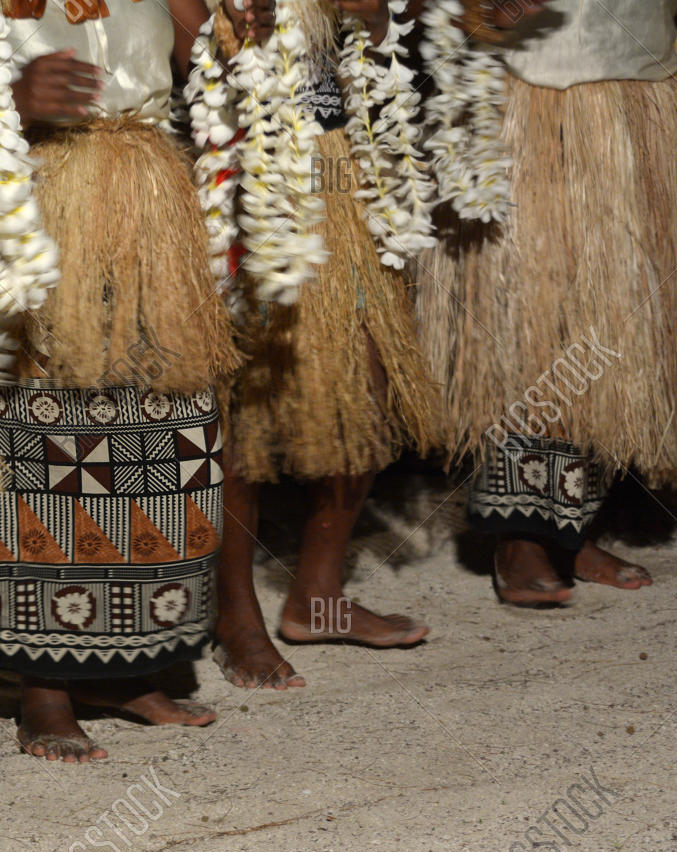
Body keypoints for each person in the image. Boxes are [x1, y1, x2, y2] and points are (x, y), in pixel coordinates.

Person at [0, 0, 242, 761]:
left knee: (161, 434)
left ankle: (131, 666)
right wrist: (7, 101)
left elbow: (213, 61)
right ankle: (44, 687)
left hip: (149, 197)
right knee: (46, 435)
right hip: (31, 194)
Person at [416, 0, 677, 605]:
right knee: (534, 320)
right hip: (529, 98)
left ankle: (570, 525)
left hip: (644, 99)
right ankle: (521, 536)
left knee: (616, 323)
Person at [211, 0, 437, 691]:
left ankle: (317, 593)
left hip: (336, 164)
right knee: (242, 413)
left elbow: (399, 22)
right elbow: (180, 51)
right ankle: (234, 613)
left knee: (364, 383)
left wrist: (372, 17)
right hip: (236, 168)